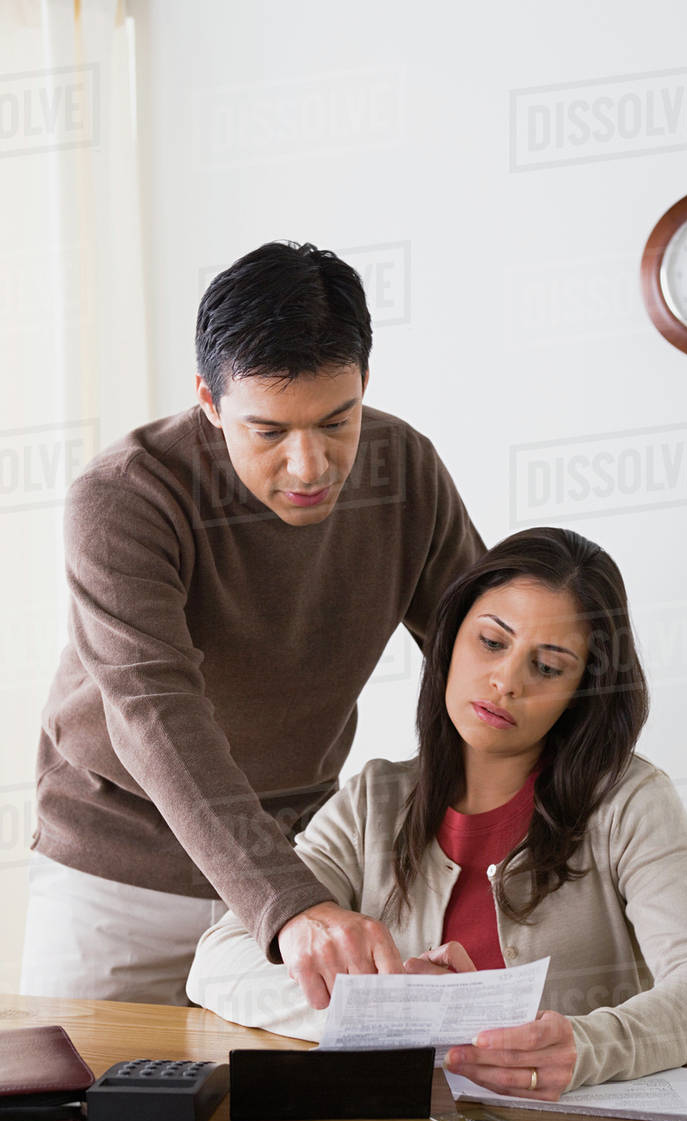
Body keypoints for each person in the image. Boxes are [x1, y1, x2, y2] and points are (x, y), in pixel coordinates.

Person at [20, 241, 484, 1006]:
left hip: (307, 863)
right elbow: (154, 713)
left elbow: (478, 656)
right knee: (69, 1117)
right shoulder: (125, 496)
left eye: (337, 422)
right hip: (118, 877)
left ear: (364, 383)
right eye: (268, 432)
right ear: (208, 399)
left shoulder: (405, 470)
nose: (309, 467)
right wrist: (289, 905)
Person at [186, 527, 687, 1099]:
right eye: (491, 642)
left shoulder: (631, 801)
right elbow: (217, 961)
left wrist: (587, 1047)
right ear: (450, 637)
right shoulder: (372, 800)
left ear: (584, 689)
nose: (506, 681)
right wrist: (400, 1014)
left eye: (549, 668)